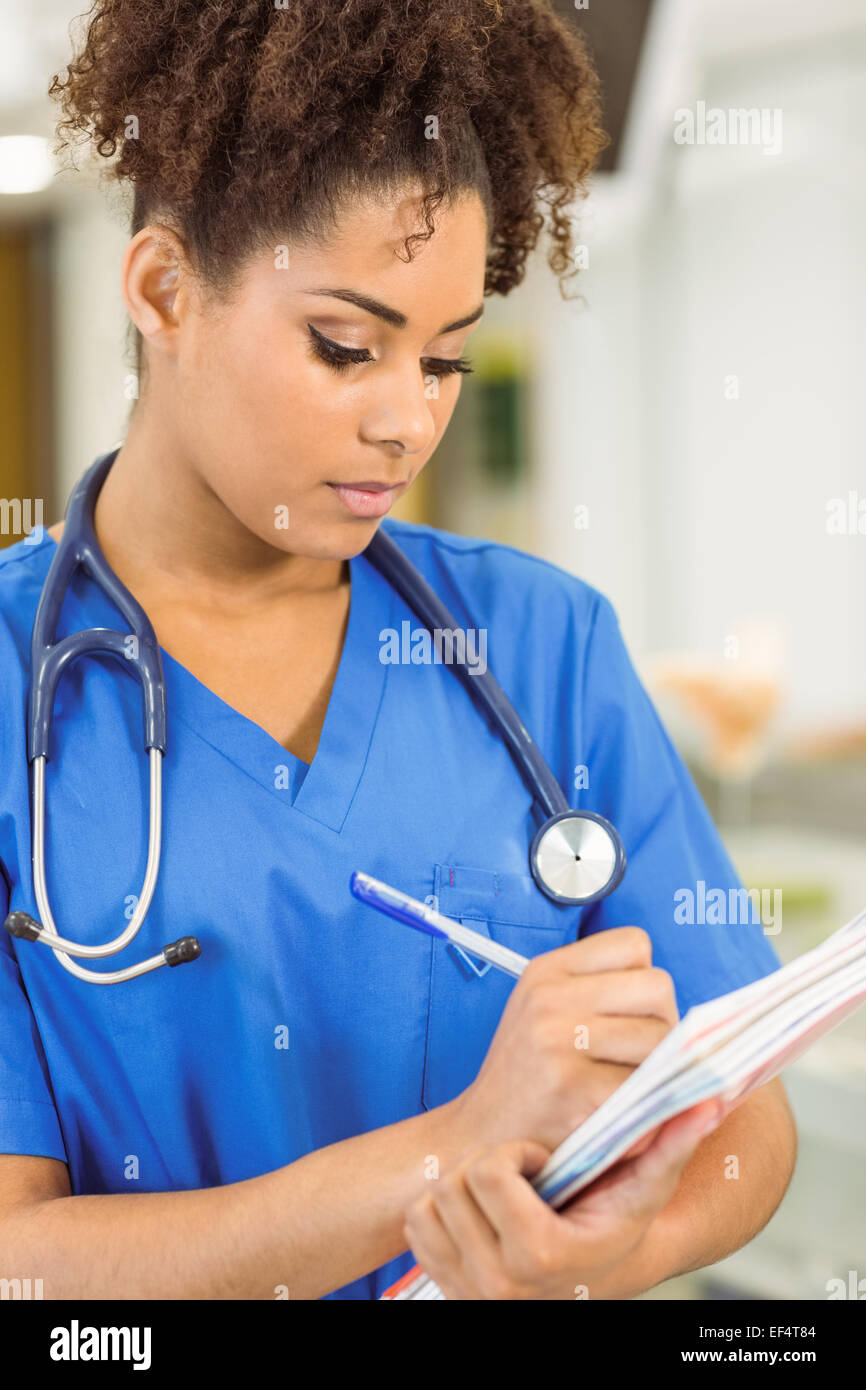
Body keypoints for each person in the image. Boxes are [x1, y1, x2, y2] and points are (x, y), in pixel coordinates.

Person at [0, 0, 795, 1300]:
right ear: (162, 289)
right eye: (346, 347)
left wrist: (612, 1248)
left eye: (445, 363)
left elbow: (744, 1114)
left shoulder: (539, 647)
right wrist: (446, 1159)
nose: (405, 424)